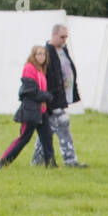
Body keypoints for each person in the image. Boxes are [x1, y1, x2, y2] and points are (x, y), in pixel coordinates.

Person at [0, 46, 55, 169]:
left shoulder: (41, 70)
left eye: (43, 54)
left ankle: (51, 164)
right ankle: (2, 163)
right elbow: (31, 91)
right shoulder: (29, 68)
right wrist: (47, 96)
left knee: (47, 137)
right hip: (31, 111)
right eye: (38, 54)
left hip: (41, 111)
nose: (41, 57)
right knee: (24, 138)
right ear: (33, 55)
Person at [43, 23, 87, 168]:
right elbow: (46, 78)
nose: (64, 40)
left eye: (66, 37)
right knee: (63, 125)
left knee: (46, 131)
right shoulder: (46, 53)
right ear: (54, 35)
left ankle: (38, 160)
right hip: (53, 99)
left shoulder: (63, 50)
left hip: (62, 97)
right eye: (62, 37)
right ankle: (70, 160)